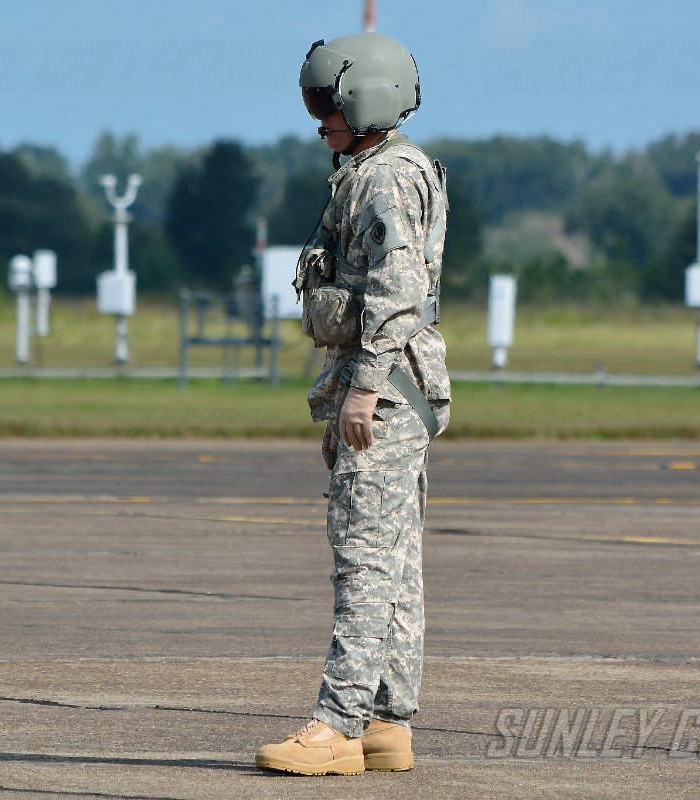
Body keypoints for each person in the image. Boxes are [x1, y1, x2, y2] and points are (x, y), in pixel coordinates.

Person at [255, 32, 450, 776]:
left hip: (388, 386)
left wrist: (362, 389)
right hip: (395, 386)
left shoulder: (384, 179)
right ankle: (385, 722)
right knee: (394, 560)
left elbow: (396, 295)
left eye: (326, 104)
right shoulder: (373, 168)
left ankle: (336, 726)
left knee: (364, 559)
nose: (318, 120)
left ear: (366, 97)